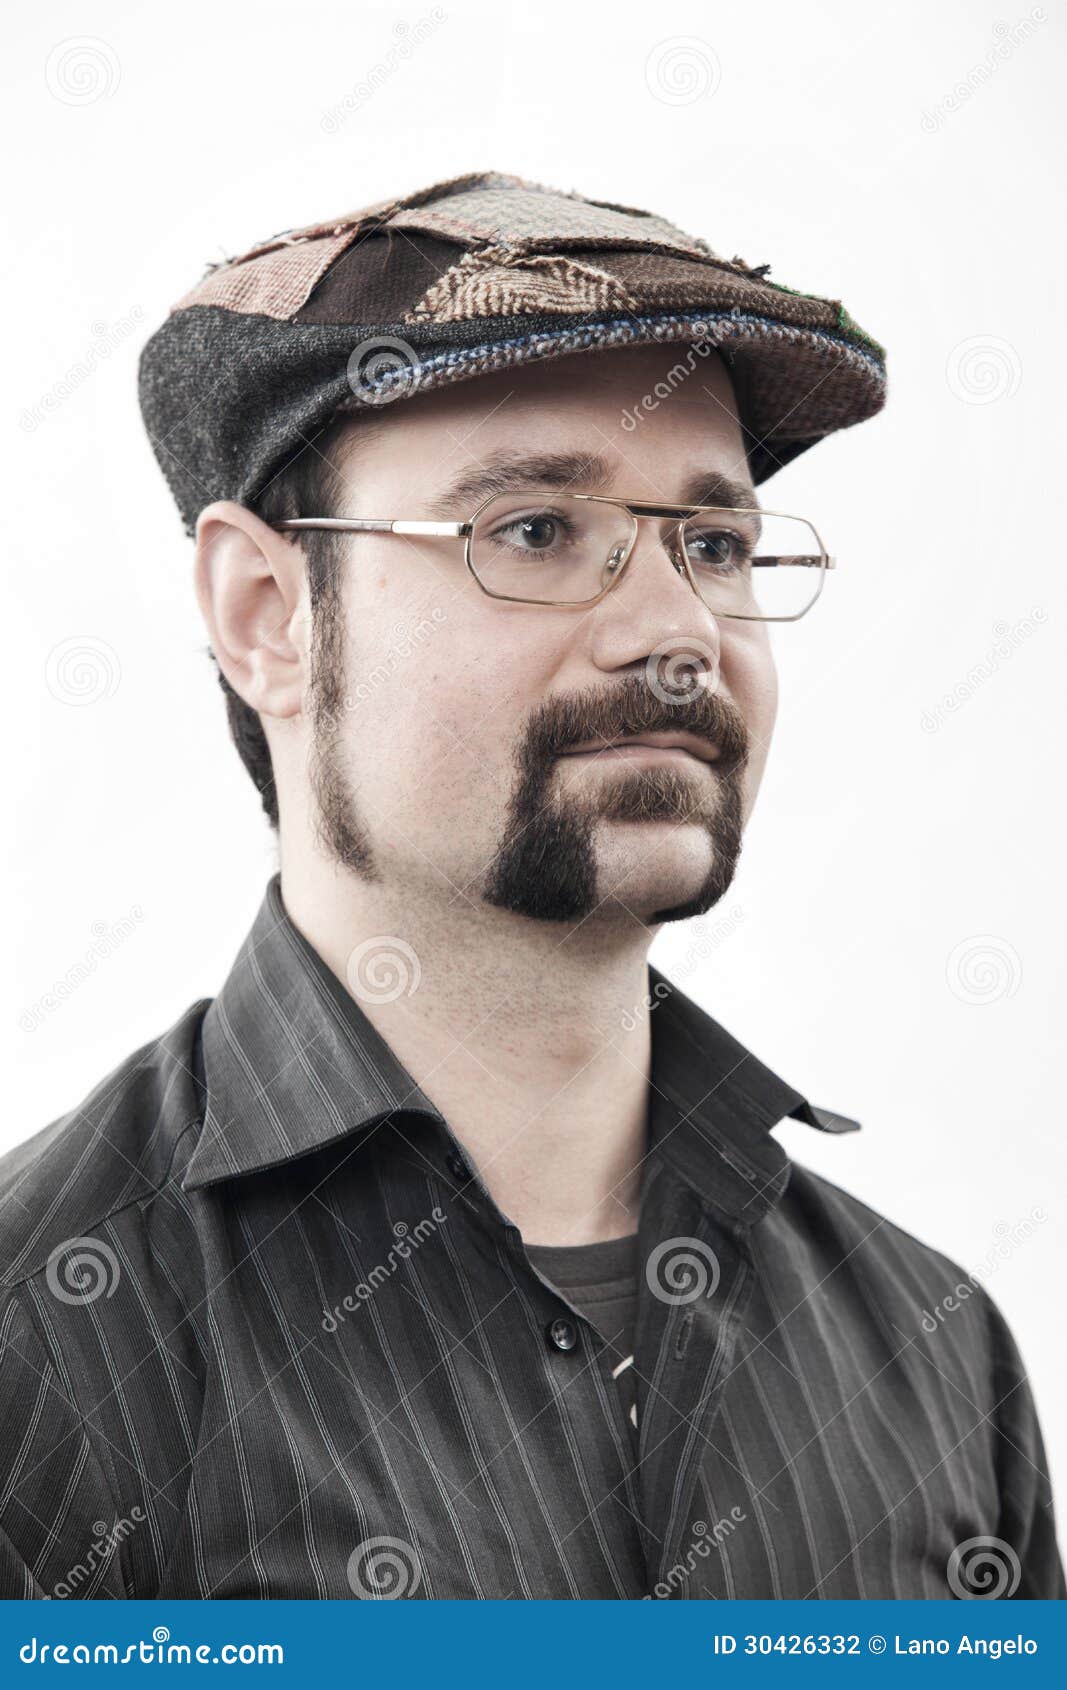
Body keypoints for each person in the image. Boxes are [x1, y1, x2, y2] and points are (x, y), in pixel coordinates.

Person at [2, 172, 1061, 1600]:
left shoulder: (938, 1354)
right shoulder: (39, 1345)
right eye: (535, 532)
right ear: (267, 617)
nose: (678, 631)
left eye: (715, 542)